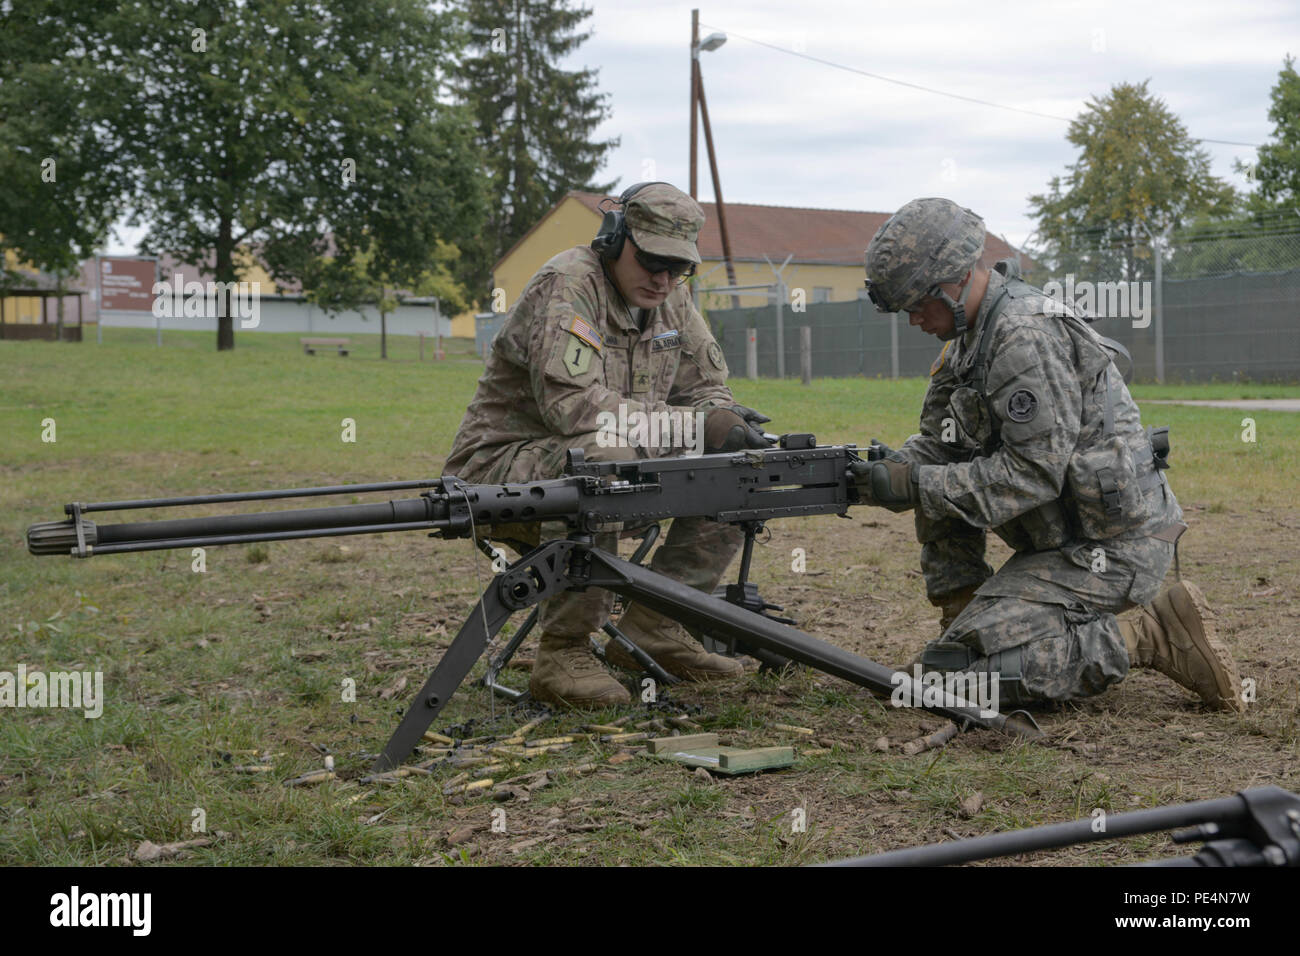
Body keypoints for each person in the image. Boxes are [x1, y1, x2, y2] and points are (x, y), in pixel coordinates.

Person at [852, 197, 1242, 712]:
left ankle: (1151, 631)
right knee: (942, 669)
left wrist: (914, 484)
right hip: (1059, 545)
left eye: (916, 304)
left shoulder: (1021, 335)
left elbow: (1031, 476)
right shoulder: (967, 341)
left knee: (960, 686)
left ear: (951, 281)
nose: (913, 321)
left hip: (1114, 548)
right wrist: (890, 470)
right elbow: (940, 447)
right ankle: (969, 626)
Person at [444, 181, 771, 709]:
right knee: (606, 466)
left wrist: (722, 422)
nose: (664, 279)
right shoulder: (568, 284)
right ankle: (562, 652)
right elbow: (573, 409)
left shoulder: (672, 298)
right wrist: (692, 428)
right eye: (652, 262)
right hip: (500, 471)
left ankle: (658, 625)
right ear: (614, 239)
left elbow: (706, 390)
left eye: (679, 268)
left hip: (606, 463)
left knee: (737, 468)